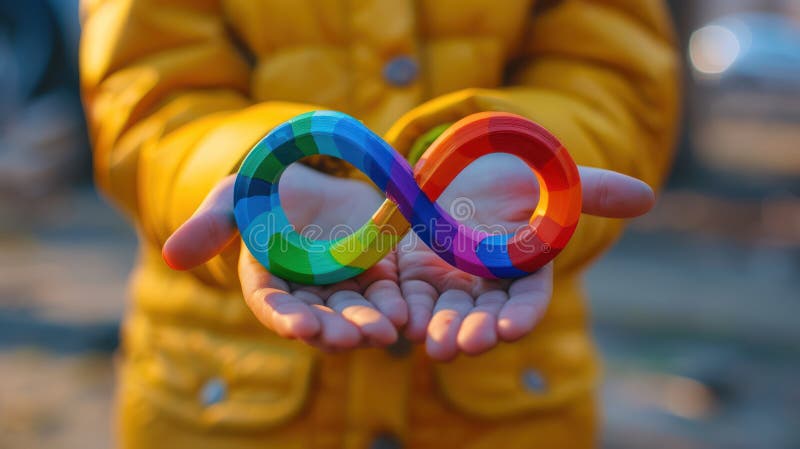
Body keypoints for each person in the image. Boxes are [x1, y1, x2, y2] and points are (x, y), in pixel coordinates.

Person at [80, 0, 678, 447]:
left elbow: (616, 77)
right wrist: (235, 169)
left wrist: (520, 160)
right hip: (219, 403)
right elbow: (145, 97)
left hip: (511, 412)